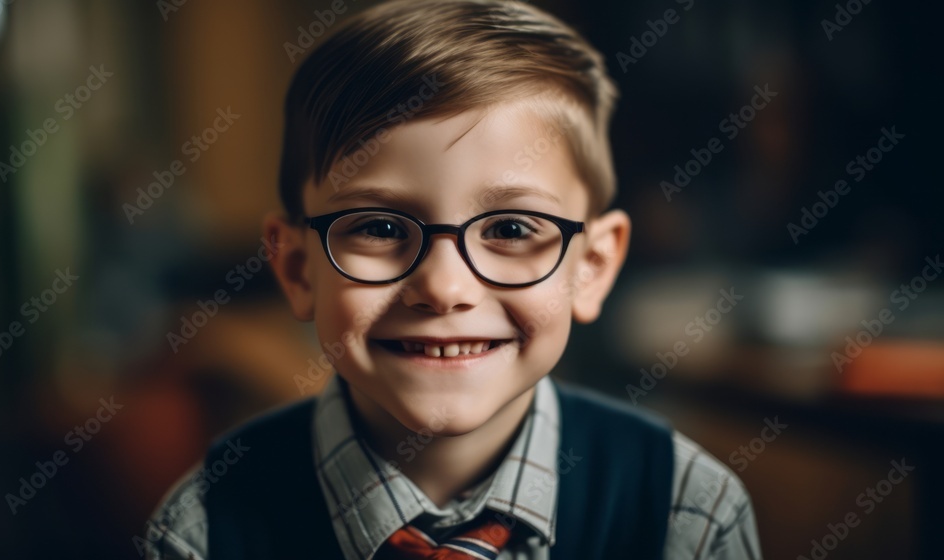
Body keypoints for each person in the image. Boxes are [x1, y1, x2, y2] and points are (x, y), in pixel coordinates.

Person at [142, 1, 762, 558]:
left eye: (514, 229)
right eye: (380, 229)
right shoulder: (202, 531)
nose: (443, 288)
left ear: (591, 268)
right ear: (299, 269)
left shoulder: (687, 513)